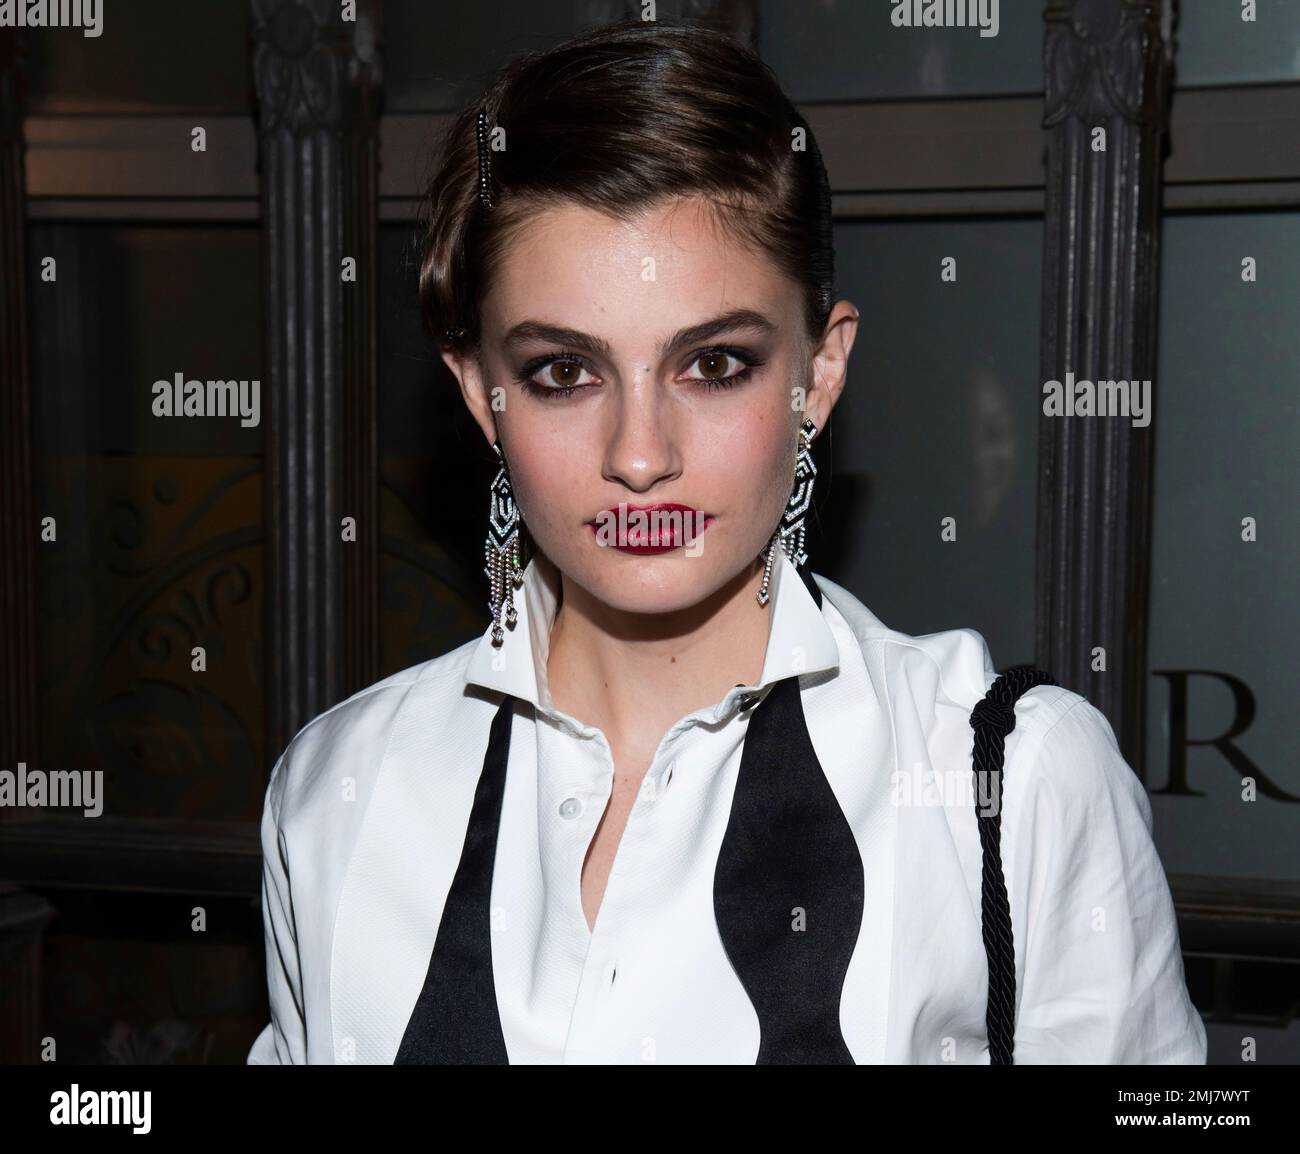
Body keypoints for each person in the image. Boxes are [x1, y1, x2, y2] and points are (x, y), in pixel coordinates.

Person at [247, 17, 1206, 1065]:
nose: (641, 455)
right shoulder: (341, 790)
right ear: (482, 393)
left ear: (819, 371)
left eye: (714, 364)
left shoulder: (1011, 784)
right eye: (564, 371)